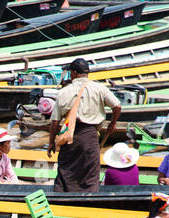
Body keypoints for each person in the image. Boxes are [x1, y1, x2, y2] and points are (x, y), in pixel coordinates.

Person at [48, 58, 121, 194]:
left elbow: (55, 122)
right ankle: (87, 203)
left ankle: (62, 201)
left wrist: (51, 143)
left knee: (65, 172)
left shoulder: (64, 92)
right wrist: (112, 124)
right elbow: (117, 106)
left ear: (74, 73)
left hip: (69, 137)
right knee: (89, 173)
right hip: (89, 136)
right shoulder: (99, 88)